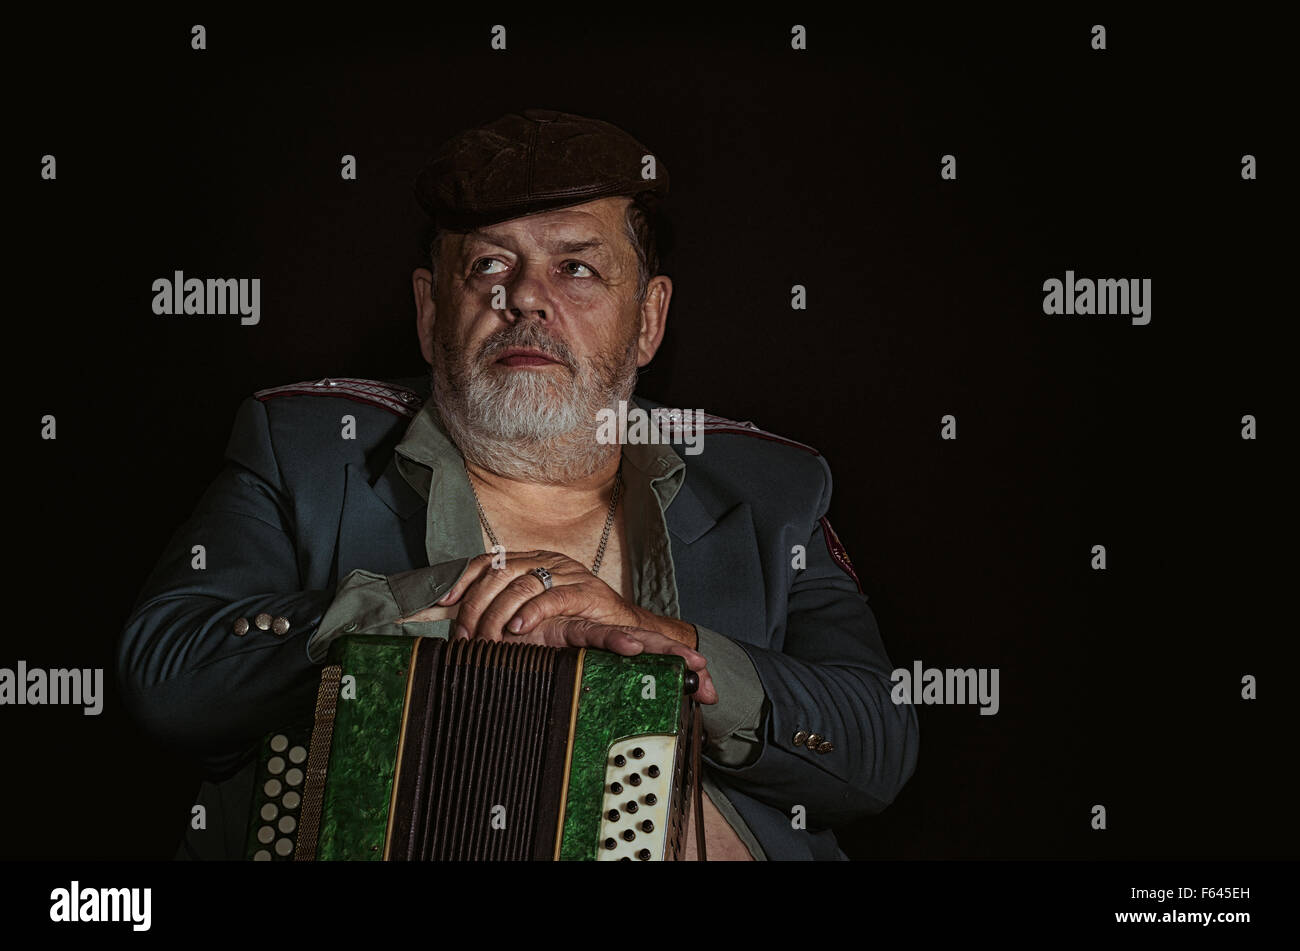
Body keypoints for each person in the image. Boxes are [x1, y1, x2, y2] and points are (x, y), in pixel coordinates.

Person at [117, 108, 919, 860]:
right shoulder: (301, 448)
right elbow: (166, 671)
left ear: (647, 319)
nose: (526, 296)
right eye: (490, 264)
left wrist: (667, 643)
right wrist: (407, 606)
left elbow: (879, 744)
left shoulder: (772, 488)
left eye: (577, 267)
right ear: (431, 312)